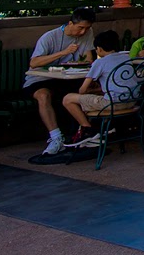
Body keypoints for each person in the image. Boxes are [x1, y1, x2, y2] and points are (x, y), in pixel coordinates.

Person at [25, 8, 97, 155]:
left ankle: (85, 132)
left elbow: (89, 59)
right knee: (43, 96)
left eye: (87, 28)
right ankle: (56, 137)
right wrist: (64, 53)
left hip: (67, 78)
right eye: (80, 28)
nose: (83, 32)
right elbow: (34, 63)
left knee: (88, 90)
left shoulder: (88, 33)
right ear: (70, 23)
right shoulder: (50, 37)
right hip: (41, 79)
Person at [62, 30, 131, 148]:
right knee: (95, 98)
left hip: (113, 104)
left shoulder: (100, 63)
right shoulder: (126, 57)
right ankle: (103, 129)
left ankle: (89, 131)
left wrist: (91, 91)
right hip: (131, 101)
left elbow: (82, 91)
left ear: (98, 49)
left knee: (68, 99)